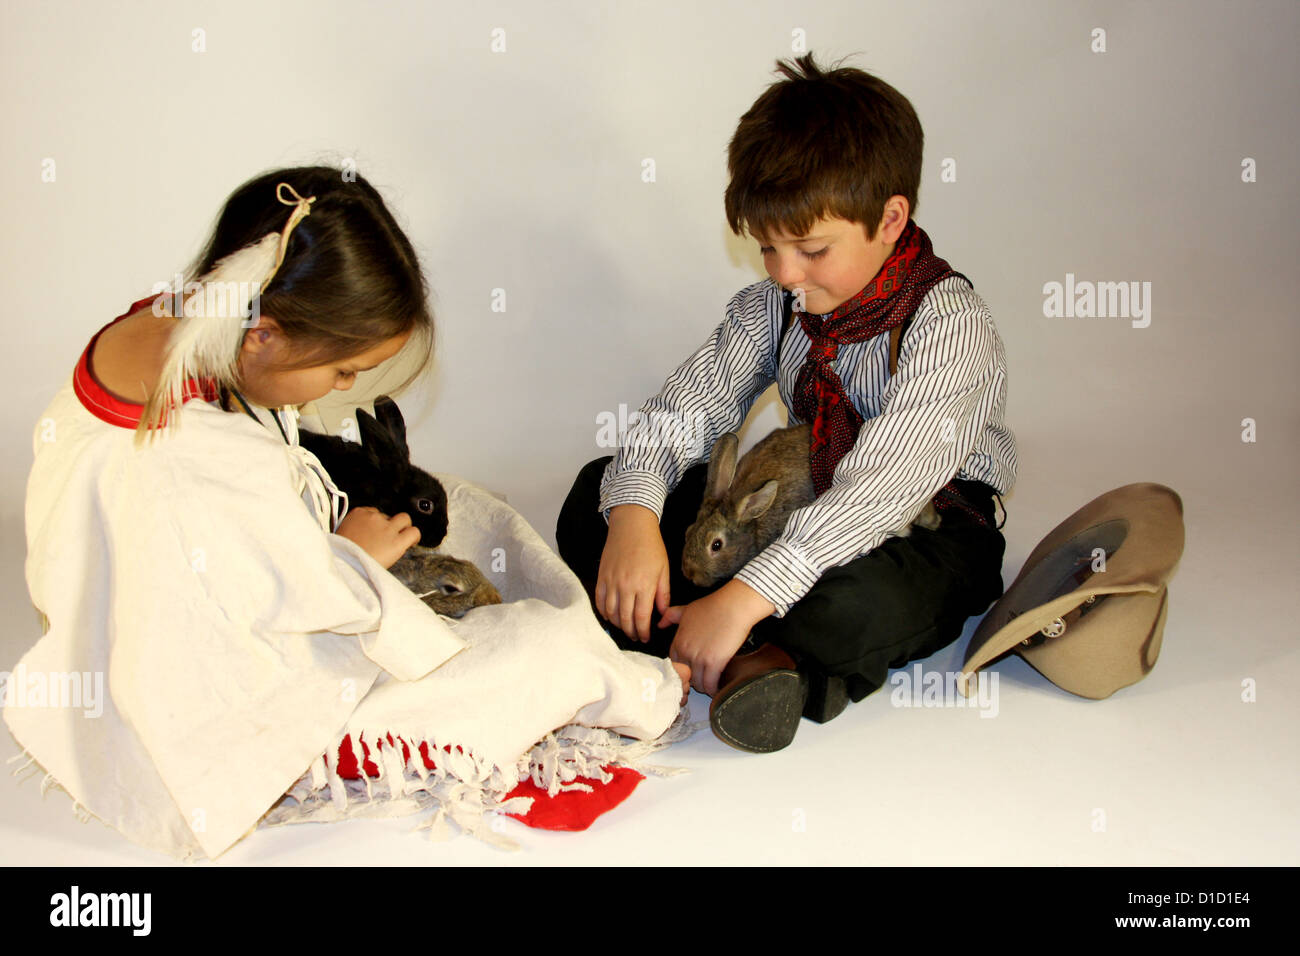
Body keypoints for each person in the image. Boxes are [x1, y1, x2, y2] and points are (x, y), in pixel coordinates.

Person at [6, 166, 687, 859]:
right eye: (340, 372)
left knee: (466, 508)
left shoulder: (179, 320)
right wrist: (352, 562)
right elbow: (251, 625)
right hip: (210, 705)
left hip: (208, 580)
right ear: (262, 334)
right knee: (544, 649)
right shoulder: (196, 460)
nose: (342, 388)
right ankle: (629, 679)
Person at [557, 54, 1017, 754]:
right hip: (795, 503)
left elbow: (880, 493)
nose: (784, 272)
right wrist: (634, 517)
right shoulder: (774, 306)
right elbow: (688, 406)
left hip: (926, 516)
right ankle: (724, 640)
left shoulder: (950, 324)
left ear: (891, 219)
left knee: (868, 602)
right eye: (769, 247)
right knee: (601, 490)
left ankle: (746, 646)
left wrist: (747, 593)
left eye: (811, 247)